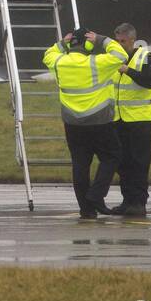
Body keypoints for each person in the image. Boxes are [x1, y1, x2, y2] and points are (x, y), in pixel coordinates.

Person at [42, 28, 129, 218]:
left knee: (80, 164)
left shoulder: (59, 62)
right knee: (112, 156)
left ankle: (86, 209)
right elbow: (120, 55)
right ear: (88, 45)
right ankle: (96, 195)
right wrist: (102, 39)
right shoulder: (96, 63)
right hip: (99, 121)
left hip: (72, 123)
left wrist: (62, 43)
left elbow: (48, 54)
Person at [112, 23, 151, 217]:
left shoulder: (144, 57)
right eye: (117, 41)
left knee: (139, 163)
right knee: (122, 163)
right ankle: (127, 200)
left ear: (132, 40)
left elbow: (150, 80)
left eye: (122, 41)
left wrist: (128, 70)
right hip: (119, 119)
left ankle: (139, 203)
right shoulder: (113, 58)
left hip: (139, 121)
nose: (119, 44)